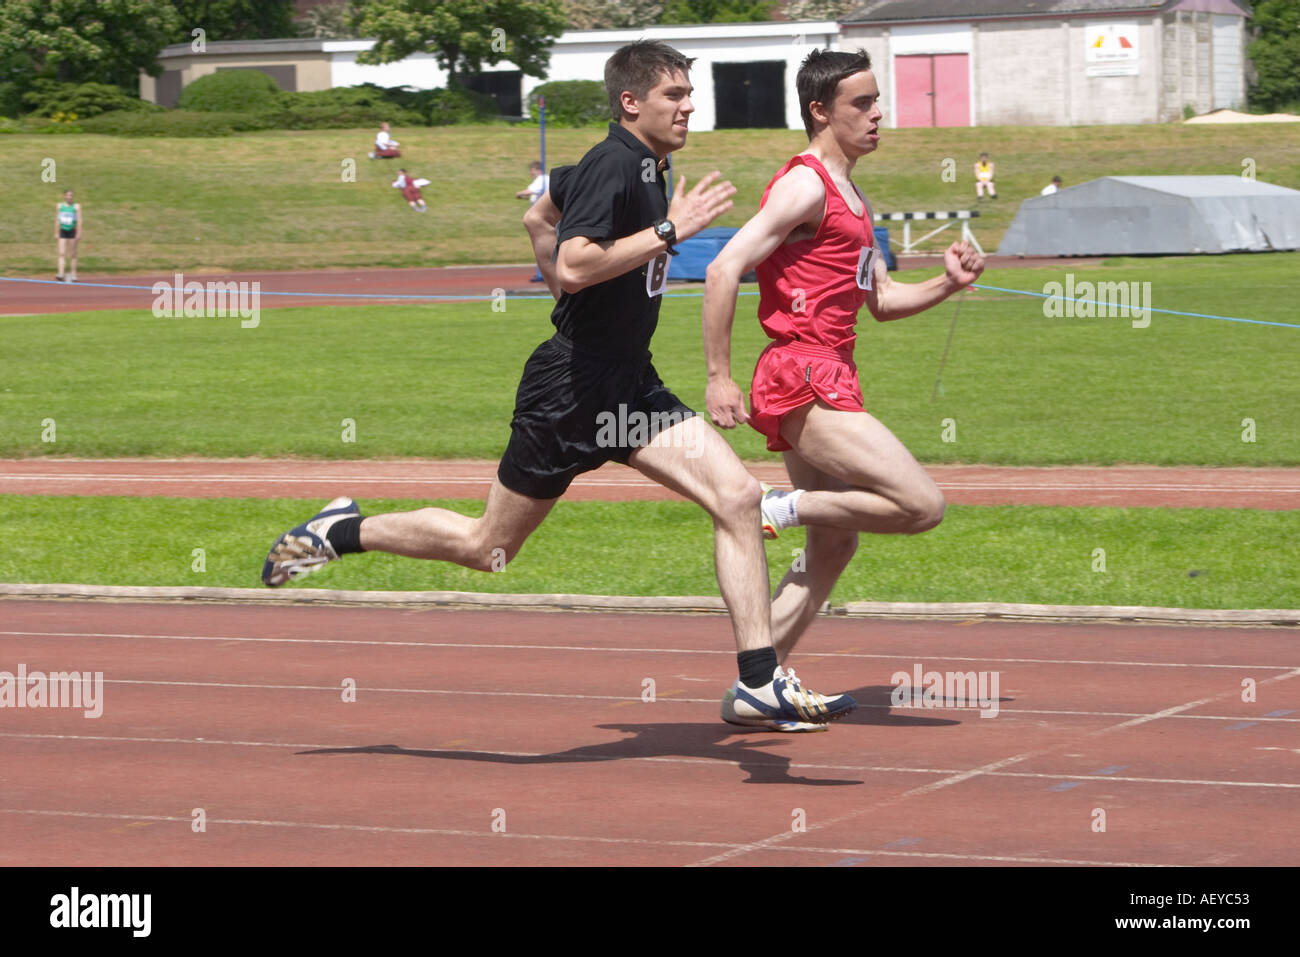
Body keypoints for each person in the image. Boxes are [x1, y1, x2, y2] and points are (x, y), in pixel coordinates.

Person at [262, 40, 856, 733]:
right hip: (568, 391)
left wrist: (585, 271)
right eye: (674, 95)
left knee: (737, 495)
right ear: (631, 102)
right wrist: (667, 231)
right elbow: (575, 262)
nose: (689, 105)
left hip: (629, 385)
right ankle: (343, 530)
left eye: (689, 94)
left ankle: (758, 680)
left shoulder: (643, 164)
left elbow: (539, 217)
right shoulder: (615, 164)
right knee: (488, 545)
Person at [701, 48, 984, 676]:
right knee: (921, 505)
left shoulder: (853, 194)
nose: (879, 114)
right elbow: (724, 267)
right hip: (801, 374)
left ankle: (759, 681)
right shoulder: (805, 183)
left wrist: (948, 284)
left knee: (833, 543)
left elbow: (880, 300)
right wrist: (719, 376)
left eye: (878, 100)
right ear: (820, 111)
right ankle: (773, 505)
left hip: (831, 369)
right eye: (864, 103)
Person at [516, 161, 550, 281]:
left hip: (541, 218)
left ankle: (544, 274)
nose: (531, 172)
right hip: (545, 216)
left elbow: (531, 191)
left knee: (541, 245)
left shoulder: (541, 179)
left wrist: (519, 193)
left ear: (537, 170)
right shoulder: (545, 179)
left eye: (532, 170)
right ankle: (544, 272)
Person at [55, 189, 81, 283]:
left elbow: (79, 220)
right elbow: (57, 220)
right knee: (61, 253)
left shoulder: (76, 207)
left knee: (73, 254)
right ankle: (60, 273)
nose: (69, 197)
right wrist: (56, 232)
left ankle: (73, 274)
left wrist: (79, 233)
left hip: (72, 231)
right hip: (63, 231)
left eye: (71, 195)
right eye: (68, 195)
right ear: (65, 196)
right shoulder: (60, 206)